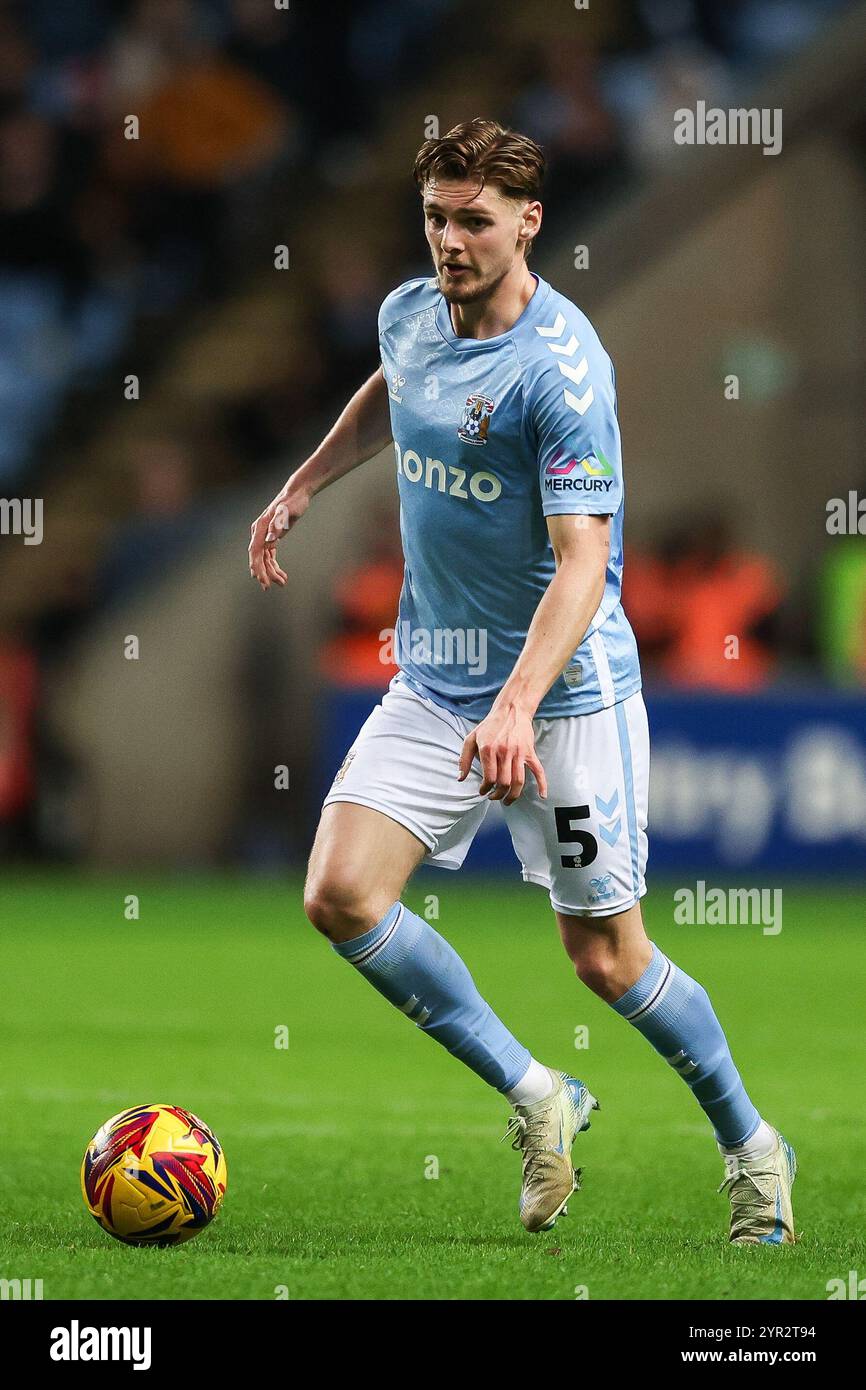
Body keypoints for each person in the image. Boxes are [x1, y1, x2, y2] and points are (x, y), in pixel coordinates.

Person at [248, 119, 796, 1243]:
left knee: (603, 956)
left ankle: (750, 1146)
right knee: (339, 893)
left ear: (529, 222)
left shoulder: (561, 371)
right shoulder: (410, 312)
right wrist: (305, 482)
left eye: (474, 222)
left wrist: (516, 707)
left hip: (563, 699)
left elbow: (586, 559)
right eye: (436, 219)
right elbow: (391, 386)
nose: (449, 241)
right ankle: (537, 1091)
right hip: (437, 679)